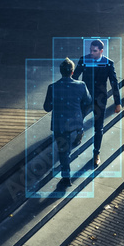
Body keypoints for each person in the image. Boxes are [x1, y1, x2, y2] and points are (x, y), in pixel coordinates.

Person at [44, 58, 94, 187]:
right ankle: (79, 133)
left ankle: (66, 178)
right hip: (75, 122)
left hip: (60, 125)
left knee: (63, 152)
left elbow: (47, 107)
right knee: (69, 143)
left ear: (61, 72)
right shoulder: (81, 85)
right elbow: (88, 101)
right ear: (72, 72)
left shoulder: (53, 87)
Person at [73, 39, 122, 166]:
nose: (91, 53)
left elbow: (114, 83)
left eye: (94, 51)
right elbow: (75, 77)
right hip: (85, 98)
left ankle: (96, 153)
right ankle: (80, 132)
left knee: (98, 128)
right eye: (90, 50)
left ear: (101, 51)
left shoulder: (108, 64)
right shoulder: (84, 60)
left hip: (100, 100)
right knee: (78, 120)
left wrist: (118, 102)